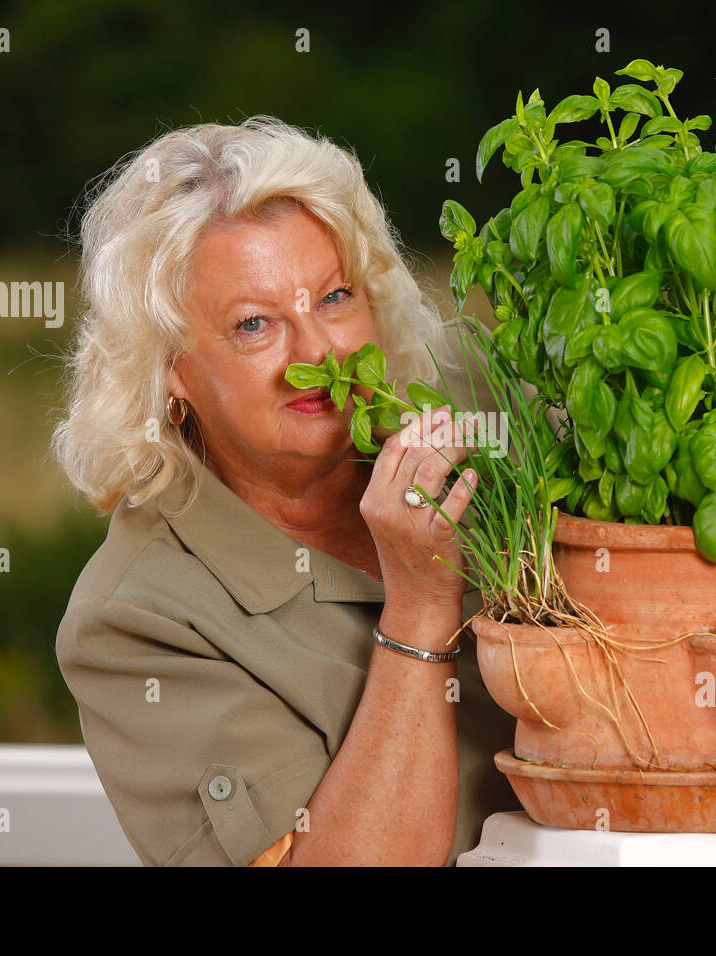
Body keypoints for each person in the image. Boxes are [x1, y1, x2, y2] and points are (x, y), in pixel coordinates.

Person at [51, 116, 519, 866]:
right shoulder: (137, 621)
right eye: (254, 324)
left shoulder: (479, 409)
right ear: (169, 367)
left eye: (335, 298)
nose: (317, 351)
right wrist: (421, 607)